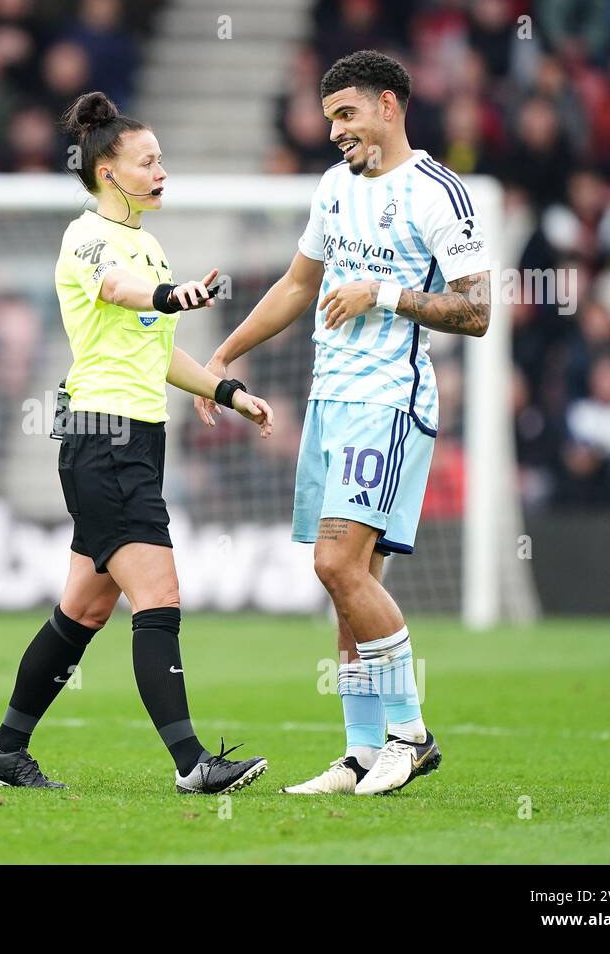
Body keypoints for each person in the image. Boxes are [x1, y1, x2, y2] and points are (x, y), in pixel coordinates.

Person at [197, 50, 491, 796]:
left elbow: (478, 309)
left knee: (334, 566)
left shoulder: (436, 191)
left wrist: (382, 295)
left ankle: (411, 736)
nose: (335, 132)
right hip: (331, 401)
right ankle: (363, 751)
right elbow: (300, 283)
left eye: (347, 114)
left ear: (389, 106)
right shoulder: (333, 187)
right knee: (345, 582)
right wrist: (226, 352)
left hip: (388, 401)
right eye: (330, 119)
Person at [0, 91, 274, 794]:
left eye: (162, 159)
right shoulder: (88, 237)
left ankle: (4, 750)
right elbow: (121, 292)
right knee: (160, 594)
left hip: (133, 438)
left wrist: (223, 393)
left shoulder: (147, 241)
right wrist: (169, 296)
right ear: (108, 170)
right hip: (101, 438)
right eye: (148, 161)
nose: (161, 170)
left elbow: (157, 351)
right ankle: (193, 764)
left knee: (83, 609)